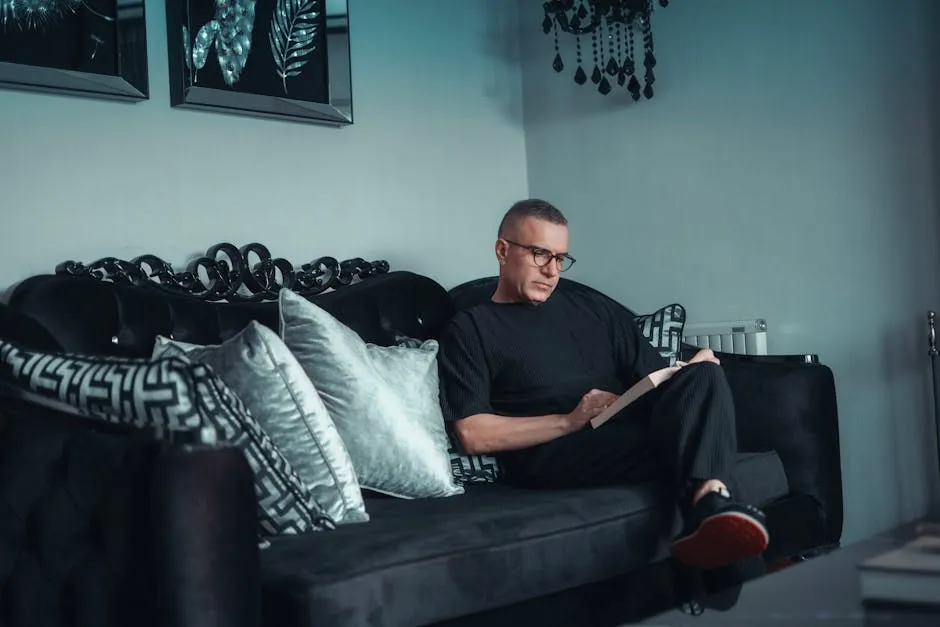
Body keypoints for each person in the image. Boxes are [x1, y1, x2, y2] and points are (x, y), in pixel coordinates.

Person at [437, 198, 769, 572]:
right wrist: (569, 420)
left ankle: (710, 503)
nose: (551, 270)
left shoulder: (594, 311)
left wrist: (692, 372)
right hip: (553, 450)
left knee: (706, 374)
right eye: (539, 254)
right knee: (697, 445)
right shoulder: (471, 329)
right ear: (502, 250)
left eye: (561, 258)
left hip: (623, 427)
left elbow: (658, 383)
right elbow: (472, 434)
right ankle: (717, 528)